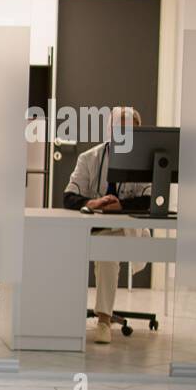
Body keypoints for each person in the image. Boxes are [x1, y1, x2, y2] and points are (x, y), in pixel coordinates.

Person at [63, 106, 150, 344]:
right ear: (109, 130)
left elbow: (151, 200)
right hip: (94, 227)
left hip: (127, 227)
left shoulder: (144, 162)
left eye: (131, 131)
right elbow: (69, 196)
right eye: (119, 129)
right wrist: (94, 202)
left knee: (108, 252)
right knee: (102, 247)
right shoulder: (89, 158)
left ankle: (103, 319)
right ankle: (82, 314)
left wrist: (121, 206)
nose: (124, 136)